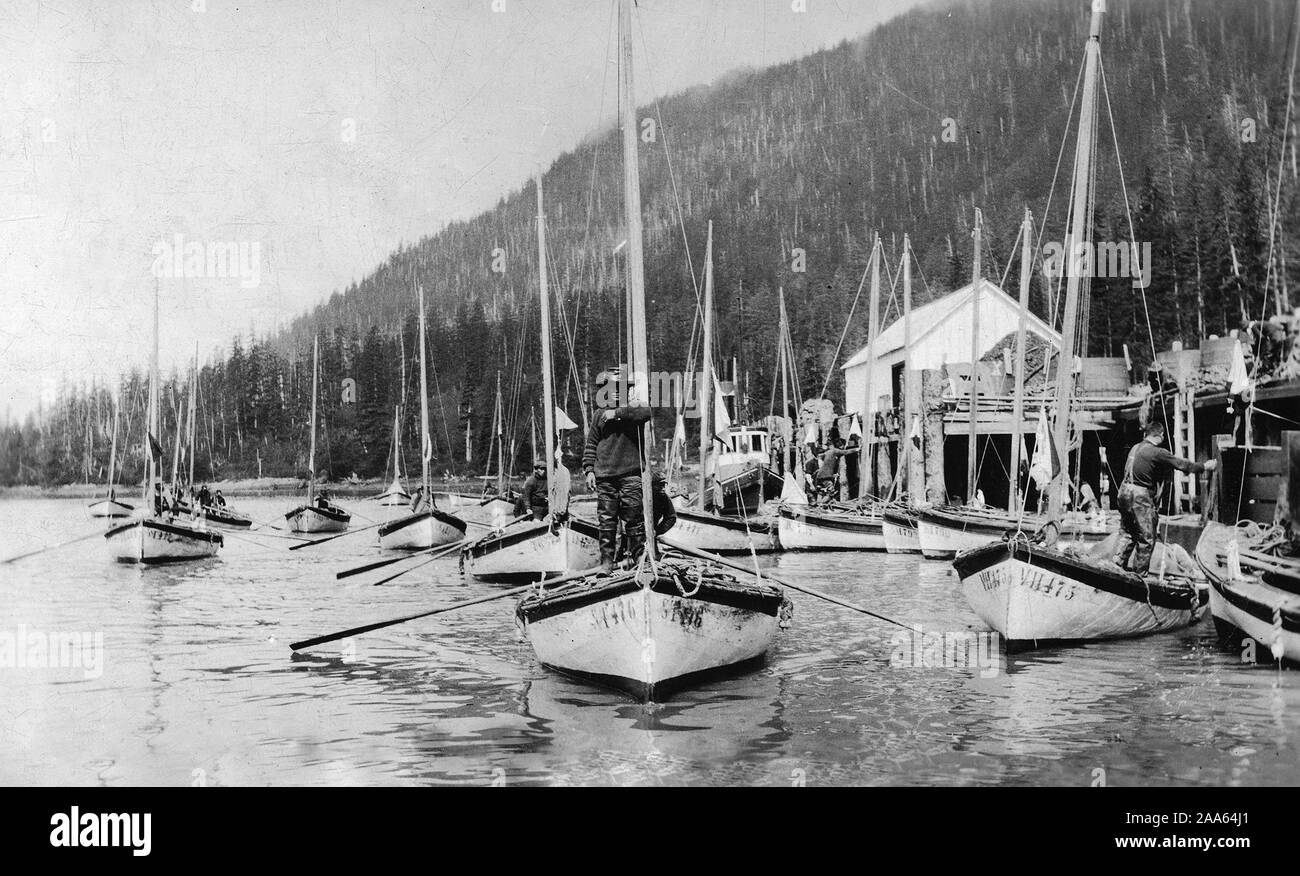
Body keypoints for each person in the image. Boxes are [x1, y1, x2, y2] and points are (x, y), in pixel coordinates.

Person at [1111, 420, 1217, 578]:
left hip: (1124, 491)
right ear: (1160, 436)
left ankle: (1116, 566)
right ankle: (1139, 577)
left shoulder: (1135, 448)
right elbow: (1182, 464)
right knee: (1146, 538)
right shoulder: (1157, 452)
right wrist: (1204, 467)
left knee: (1127, 532)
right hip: (1138, 496)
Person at [583, 375, 653, 569]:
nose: (613, 391)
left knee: (634, 517)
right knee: (606, 521)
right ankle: (607, 561)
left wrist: (617, 413)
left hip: (630, 474)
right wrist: (589, 470)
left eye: (619, 388)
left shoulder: (633, 409)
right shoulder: (599, 414)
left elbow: (646, 412)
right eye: (609, 387)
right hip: (604, 476)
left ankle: (639, 557)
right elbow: (591, 444)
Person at [815, 439, 855, 503]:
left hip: (820, 476)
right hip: (825, 476)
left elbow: (819, 456)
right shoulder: (834, 451)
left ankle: (819, 504)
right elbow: (846, 452)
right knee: (831, 493)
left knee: (821, 493)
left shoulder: (827, 452)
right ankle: (820, 505)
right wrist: (856, 449)